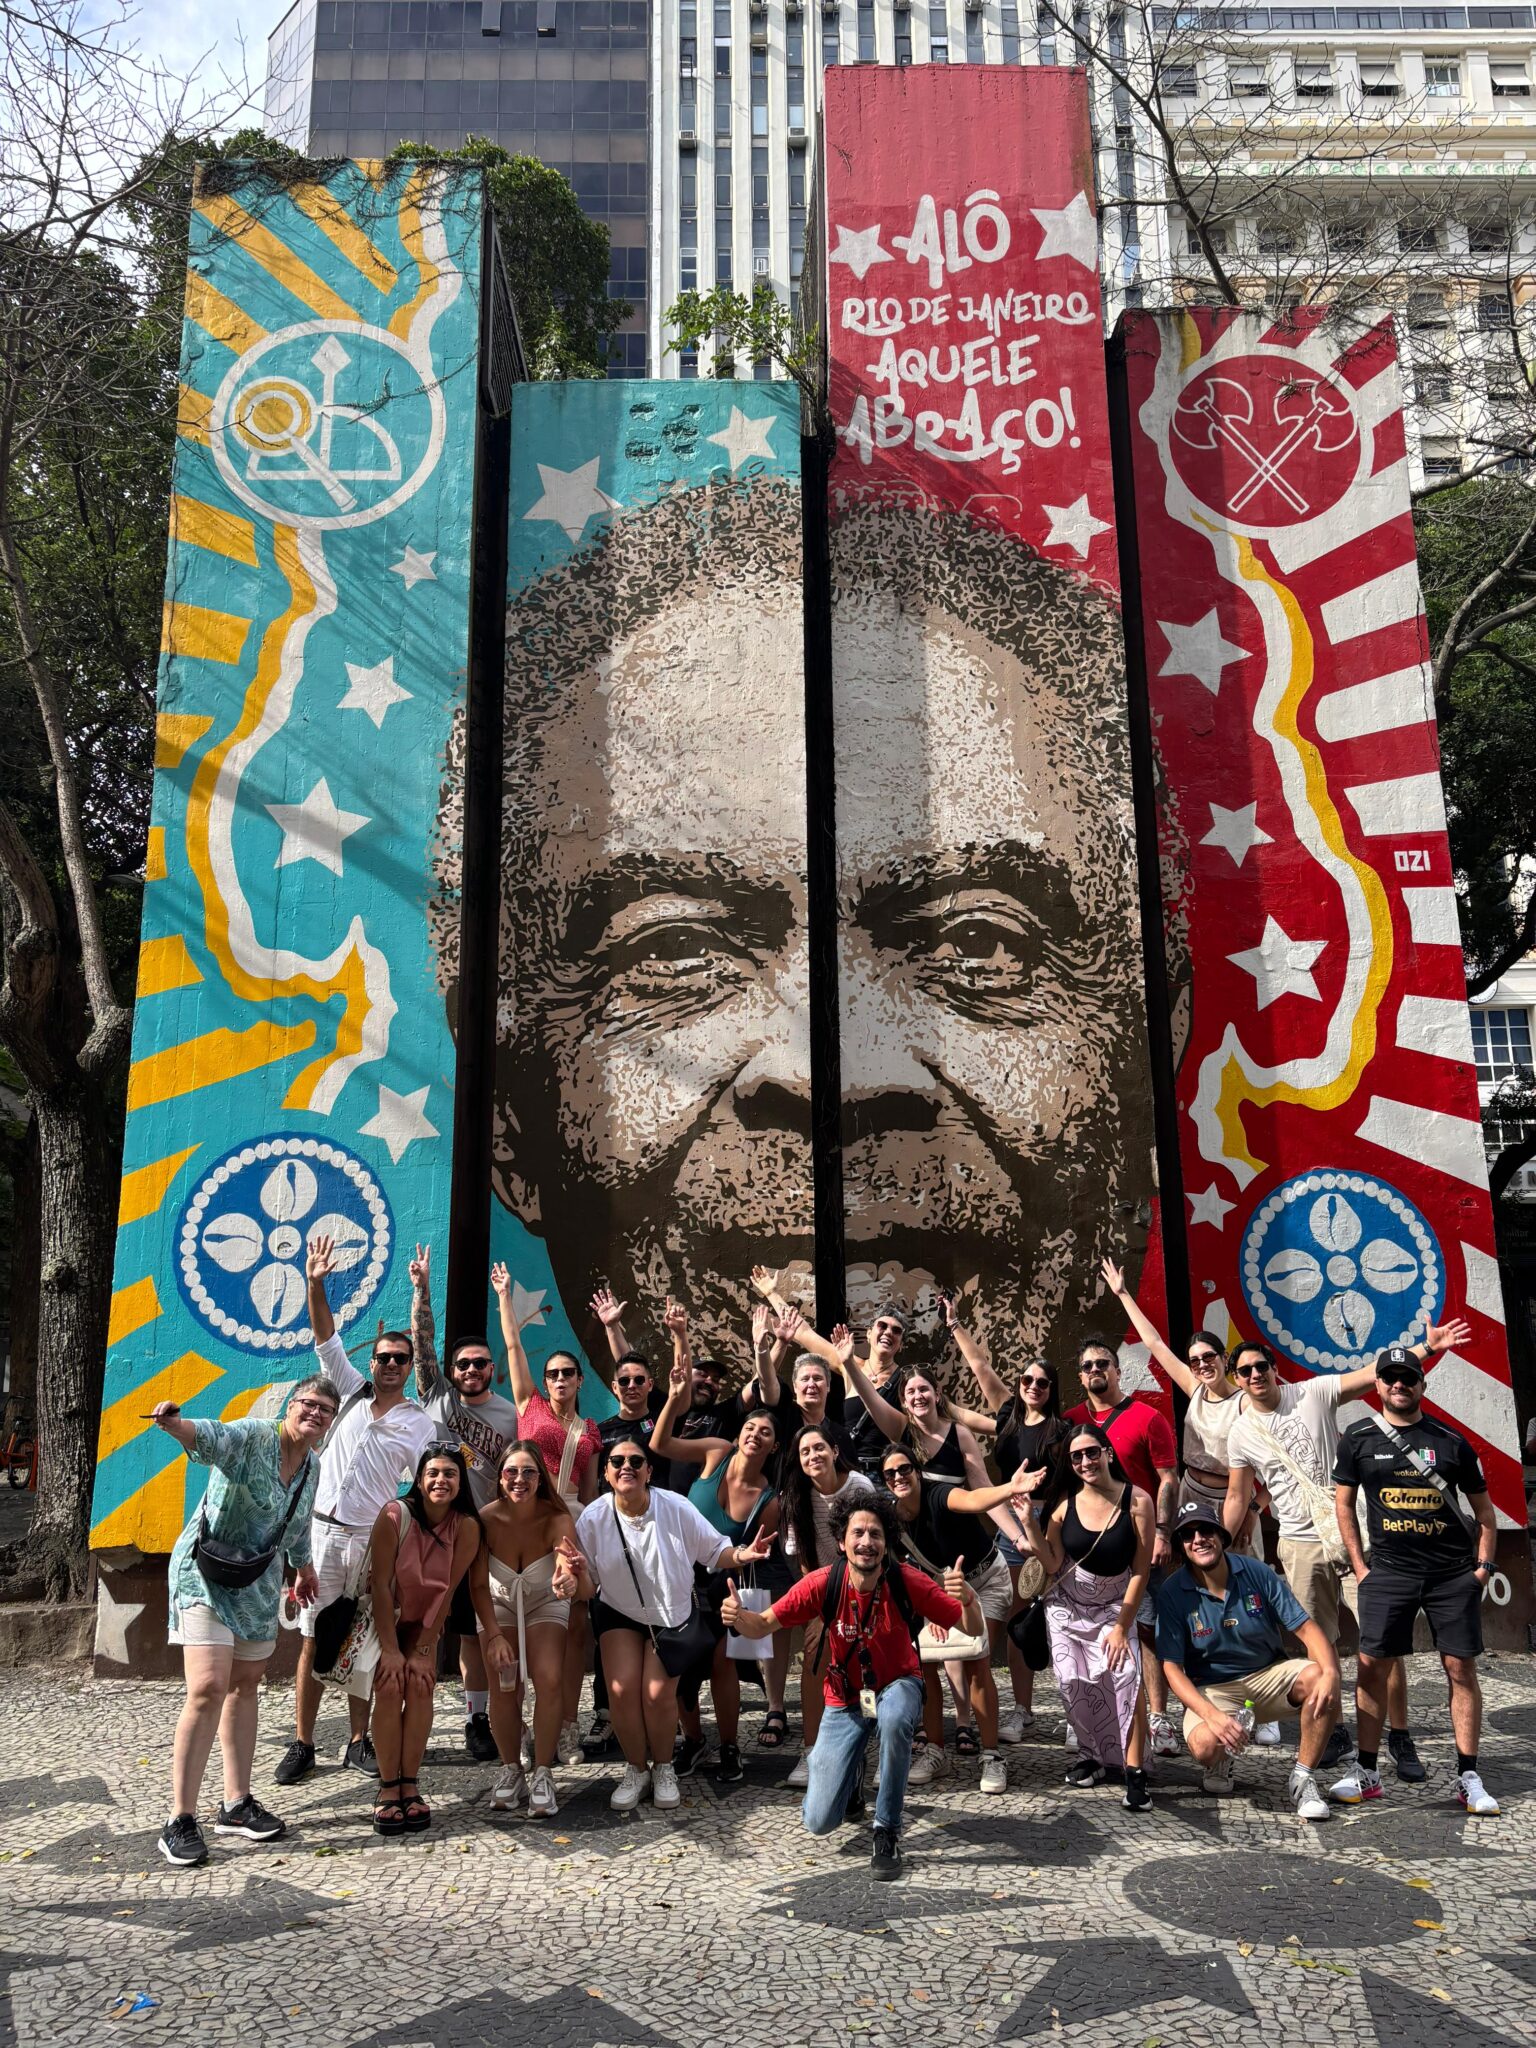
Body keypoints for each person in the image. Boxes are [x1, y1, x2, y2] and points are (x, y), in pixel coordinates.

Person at [1222, 1321, 1467, 1774]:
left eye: (1261, 1367)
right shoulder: (1240, 1432)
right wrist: (1219, 1543)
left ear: (1275, 1370)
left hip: (1356, 1535)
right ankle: (1333, 1730)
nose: (1254, 1375)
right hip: (1298, 1543)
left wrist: (1426, 1349)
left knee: (1382, 1643)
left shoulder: (1311, 1394)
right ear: (1236, 1379)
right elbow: (1239, 1493)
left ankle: (1400, 1736)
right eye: (1244, 1371)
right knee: (1319, 1646)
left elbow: (1370, 1372)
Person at [723, 1491, 983, 1879]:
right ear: (842, 1542)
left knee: (895, 1721)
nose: (867, 1542)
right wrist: (737, 1615)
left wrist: (968, 1600)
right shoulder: (822, 1583)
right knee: (819, 1821)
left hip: (898, 1683)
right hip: (845, 1697)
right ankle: (854, 1776)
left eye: (876, 1534)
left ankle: (887, 1830)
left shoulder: (905, 1580)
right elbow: (762, 1625)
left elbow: (973, 1629)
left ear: (886, 1542)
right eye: (857, 1533)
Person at [152, 1378, 336, 1867]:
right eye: (308, 1404)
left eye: (325, 1410)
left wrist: (305, 1568)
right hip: (204, 1572)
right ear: (290, 1405)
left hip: (257, 1580)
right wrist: (176, 1425)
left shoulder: (311, 1466)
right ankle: (180, 1820)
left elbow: (297, 1525)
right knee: (208, 1686)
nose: (315, 1414)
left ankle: (235, 1803)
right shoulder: (256, 1435)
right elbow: (210, 1438)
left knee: (245, 1684)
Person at [276, 1235, 437, 1789]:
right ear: (372, 1362)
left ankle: (357, 1740)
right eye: (383, 1357)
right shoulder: (348, 1392)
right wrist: (315, 1282)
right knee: (314, 1637)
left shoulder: (418, 1422)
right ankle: (302, 1743)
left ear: (409, 1365)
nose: (391, 1364)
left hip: (370, 1541)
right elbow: (325, 1337)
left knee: (362, 1636)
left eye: (401, 1359)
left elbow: (424, 1489)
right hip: (319, 1536)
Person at [1329, 1344, 1502, 1815]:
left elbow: (1484, 1512)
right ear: (1378, 1385)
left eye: (1408, 1377)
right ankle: (1367, 1771)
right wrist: (1360, 1567)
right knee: (1371, 1667)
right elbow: (1343, 1504)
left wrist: (1482, 1569)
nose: (1399, 1384)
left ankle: (1469, 1776)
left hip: (1451, 1577)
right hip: (1388, 1572)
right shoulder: (1359, 1438)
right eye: (1390, 1378)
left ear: (1422, 1385)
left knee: (1460, 1670)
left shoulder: (1451, 1441)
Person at [575, 1434, 774, 1811]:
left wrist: (744, 1553)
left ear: (649, 1471)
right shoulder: (594, 1517)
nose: (626, 1467)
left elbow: (715, 1549)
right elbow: (587, 1585)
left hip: (671, 1614)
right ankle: (636, 1768)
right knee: (619, 1690)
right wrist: (570, 1578)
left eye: (636, 1461)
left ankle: (664, 1766)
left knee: (656, 1694)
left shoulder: (675, 1507)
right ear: (606, 1472)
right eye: (617, 1462)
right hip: (619, 1610)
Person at [1155, 1500, 1339, 1822]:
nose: (1198, 1539)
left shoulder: (1255, 1571)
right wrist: (1211, 1716)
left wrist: (1332, 1674)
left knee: (1319, 1677)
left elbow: (1307, 1629)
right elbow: (1171, 1668)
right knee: (1204, 1747)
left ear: (1222, 1536)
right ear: (1181, 1547)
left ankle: (1303, 1777)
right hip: (1214, 1688)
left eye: (1206, 1530)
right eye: (1188, 1535)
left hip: (1268, 1674)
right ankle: (1222, 1759)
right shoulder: (1172, 1592)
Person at [937, 1296, 1069, 1741]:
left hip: (1050, 1523)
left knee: (1064, 1618)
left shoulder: (1062, 1432)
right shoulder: (1009, 1419)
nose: (1033, 1386)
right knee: (1019, 1619)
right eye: (1028, 1379)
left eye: (1043, 1382)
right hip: (1010, 1528)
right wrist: (954, 1324)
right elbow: (979, 1367)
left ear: (1053, 1389)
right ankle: (1023, 1709)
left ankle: (1077, 1713)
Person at [409, 1242, 521, 1763]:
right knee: (423, 1620)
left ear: (491, 1368)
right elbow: (421, 1344)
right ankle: (409, 1711)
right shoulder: (436, 1396)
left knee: (477, 1627)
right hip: (430, 1526)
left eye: (480, 1363)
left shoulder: (508, 1413)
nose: (471, 1370)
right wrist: (422, 1290)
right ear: (451, 1370)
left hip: (482, 1530)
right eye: (463, 1364)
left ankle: (477, 1717)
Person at [650, 1361, 783, 1784]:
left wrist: (747, 1556)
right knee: (682, 1666)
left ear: (773, 1447)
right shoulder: (716, 1452)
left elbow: (759, 1551)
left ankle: (729, 1746)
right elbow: (661, 1442)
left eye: (765, 1432)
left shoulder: (769, 1498)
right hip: (678, 1575)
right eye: (750, 1428)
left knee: (724, 1664)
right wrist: (673, 1398)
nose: (754, 1434)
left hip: (725, 1583)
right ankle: (693, 1740)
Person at [492, 1259, 601, 1767]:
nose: (558, 1379)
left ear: (579, 1381)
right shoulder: (527, 1405)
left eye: (567, 1374)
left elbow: (593, 1488)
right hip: (526, 1514)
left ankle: (564, 1727)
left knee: (572, 1627)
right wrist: (504, 1296)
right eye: (552, 1373)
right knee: (522, 1625)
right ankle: (521, 1730)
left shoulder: (591, 1429)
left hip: (571, 1520)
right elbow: (513, 1347)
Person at [1015, 1421, 1155, 1811]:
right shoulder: (1064, 1506)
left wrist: (1122, 1626)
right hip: (1068, 1607)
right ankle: (1091, 1756)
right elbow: (1053, 1561)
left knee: (1127, 1677)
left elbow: (1141, 1571)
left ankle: (1134, 1772)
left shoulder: (1138, 1501)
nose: (1085, 1461)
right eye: (1076, 1456)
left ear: (1107, 1452)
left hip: (1114, 1608)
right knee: (1072, 1682)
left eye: (1092, 1452)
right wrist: (1028, 1521)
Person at [1063, 1335, 1180, 1757]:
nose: (1096, 1370)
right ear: (1081, 1376)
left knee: (1148, 1632)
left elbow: (1168, 1477)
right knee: (1088, 1632)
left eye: (1103, 1363)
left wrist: (1163, 1532)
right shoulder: (1072, 1420)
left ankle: (1159, 1718)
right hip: (1092, 1552)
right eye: (1088, 1365)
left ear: (1117, 1370)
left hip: (1141, 1542)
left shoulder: (1148, 1418)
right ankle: (1094, 1718)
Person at [878, 1445, 1017, 1795]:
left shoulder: (938, 1495)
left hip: (985, 1581)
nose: (898, 1477)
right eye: (890, 1474)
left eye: (905, 1468)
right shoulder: (893, 1521)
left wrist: (1010, 1489)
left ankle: (991, 1756)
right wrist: (935, 1607)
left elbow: (974, 1500)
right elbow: (907, 1572)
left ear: (918, 1471)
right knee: (924, 1662)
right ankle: (936, 1751)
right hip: (942, 1591)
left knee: (976, 1659)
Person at [469, 1440, 592, 1818]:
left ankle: (542, 1770)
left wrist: (567, 1579)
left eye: (528, 1472)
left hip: (544, 1600)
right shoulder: (486, 1519)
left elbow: (565, 1563)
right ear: (500, 1478)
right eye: (511, 1471)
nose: (519, 1479)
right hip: (498, 1602)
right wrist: (492, 1636)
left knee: (549, 1677)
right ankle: (510, 1769)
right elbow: (476, 1584)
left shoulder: (556, 1518)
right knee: (504, 1684)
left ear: (541, 1479)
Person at [368, 1444, 482, 1835]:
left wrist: (422, 1649)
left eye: (450, 1474)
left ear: (460, 1482)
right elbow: (380, 1586)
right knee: (388, 1686)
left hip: (426, 1624)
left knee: (420, 1686)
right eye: (433, 1473)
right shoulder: (394, 1515)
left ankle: (411, 1784)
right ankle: (388, 1787)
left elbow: (449, 1591)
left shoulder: (466, 1526)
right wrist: (389, 1649)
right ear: (419, 1479)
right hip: (387, 1619)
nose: (441, 1480)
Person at [780, 1423, 877, 1787]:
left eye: (819, 1448)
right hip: (824, 1589)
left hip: (866, 1586)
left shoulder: (858, 1487)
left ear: (835, 1451)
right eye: (805, 1452)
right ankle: (811, 1750)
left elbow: (872, 1547)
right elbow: (802, 1557)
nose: (813, 1456)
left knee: (868, 1670)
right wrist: (822, 1602)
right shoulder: (797, 1494)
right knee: (815, 1661)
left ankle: (872, 1747)